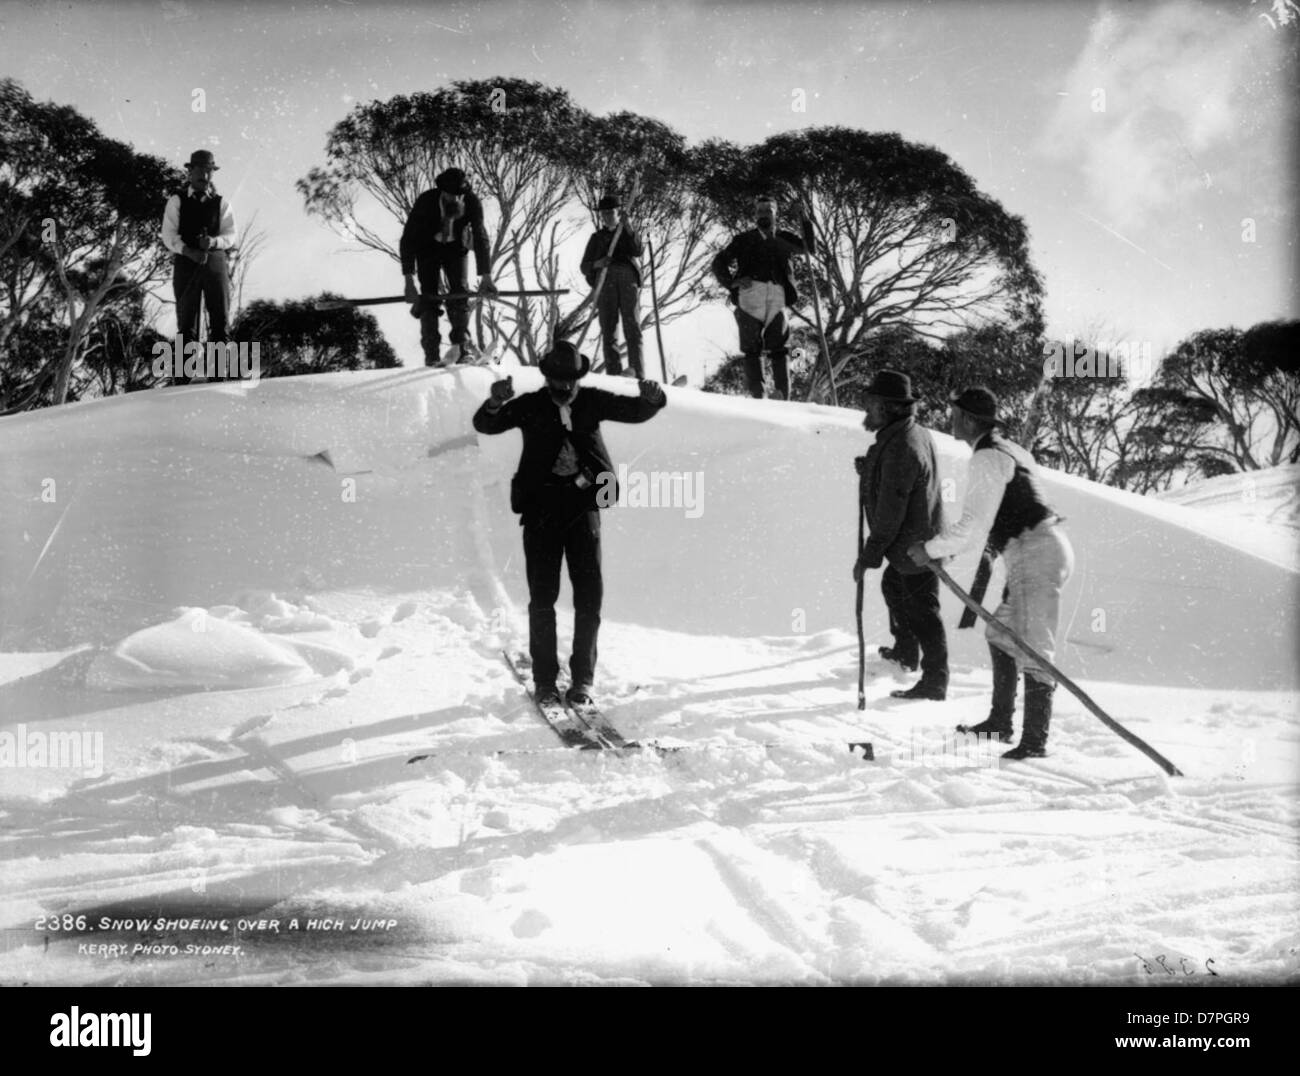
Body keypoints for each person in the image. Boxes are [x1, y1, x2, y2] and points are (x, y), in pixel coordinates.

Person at [472, 340, 667, 708]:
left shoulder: (592, 400)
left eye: (570, 380)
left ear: (579, 377)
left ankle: (583, 681)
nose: (564, 387)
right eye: (557, 380)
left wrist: (652, 399)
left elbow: (635, 411)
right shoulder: (530, 405)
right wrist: (496, 401)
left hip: (585, 507)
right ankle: (545, 681)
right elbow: (486, 423)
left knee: (589, 598)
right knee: (542, 599)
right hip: (542, 509)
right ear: (546, 377)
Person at [907, 387, 1075, 760]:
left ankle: (1034, 741)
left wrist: (930, 549)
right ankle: (1000, 722)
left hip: (1035, 552)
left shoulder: (986, 457)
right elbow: (999, 517)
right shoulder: (1012, 450)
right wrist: (946, 552)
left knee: (1034, 648)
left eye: (954, 413)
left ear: (968, 419)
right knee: (1000, 633)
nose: (950, 419)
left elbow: (972, 525)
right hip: (1039, 548)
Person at [852, 370, 949, 700]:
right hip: (915, 544)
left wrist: (869, 554)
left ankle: (936, 680)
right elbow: (899, 480)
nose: (867, 409)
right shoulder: (908, 434)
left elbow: (890, 510)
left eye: (872, 404)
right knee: (894, 587)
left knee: (924, 612)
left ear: (888, 407)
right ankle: (906, 652)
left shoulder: (901, 446)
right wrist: (871, 469)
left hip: (917, 548)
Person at [711, 195, 814, 400]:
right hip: (750, 295)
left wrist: (805, 220)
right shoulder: (743, 240)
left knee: (780, 346)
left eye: (768, 210)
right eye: (759, 211)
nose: (763, 214)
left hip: (777, 295)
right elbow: (718, 262)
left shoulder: (785, 238)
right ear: (754, 215)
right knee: (751, 347)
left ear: (776, 213)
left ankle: (783, 395)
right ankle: (758, 395)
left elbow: (809, 249)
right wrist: (732, 282)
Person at [400, 167, 496, 366]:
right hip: (427, 249)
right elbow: (408, 239)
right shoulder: (426, 201)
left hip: (455, 249)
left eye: (459, 195)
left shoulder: (471, 202)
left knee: (460, 294)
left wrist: (486, 278)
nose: (455, 199)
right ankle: (432, 355)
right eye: (451, 195)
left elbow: (480, 237)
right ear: (442, 191)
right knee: (428, 297)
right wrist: (409, 282)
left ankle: (460, 349)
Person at [160, 149, 237, 385]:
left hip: (215, 265)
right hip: (186, 264)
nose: (205, 175)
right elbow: (168, 234)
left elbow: (230, 235)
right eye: (200, 170)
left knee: (220, 321)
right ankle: (183, 381)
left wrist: (213, 242)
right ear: (190, 171)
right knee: (186, 322)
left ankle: (218, 379)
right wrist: (188, 250)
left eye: (209, 170)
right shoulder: (177, 200)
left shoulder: (221, 203)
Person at [580, 194, 644, 378]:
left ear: (619, 213)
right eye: (604, 213)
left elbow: (639, 250)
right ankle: (614, 376)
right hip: (605, 281)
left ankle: (638, 373)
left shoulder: (627, 232)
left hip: (627, 278)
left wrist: (630, 227)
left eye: (611, 212)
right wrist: (597, 264)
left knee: (632, 327)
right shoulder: (596, 238)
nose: (608, 216)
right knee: (608, 330)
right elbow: (584, 266)